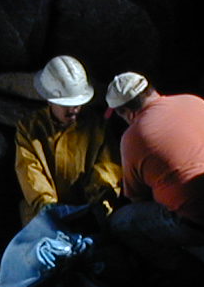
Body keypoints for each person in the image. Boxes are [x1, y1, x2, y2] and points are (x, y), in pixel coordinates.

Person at [103, 72, 204, 287]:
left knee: (122, 223)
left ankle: (196, 279)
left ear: (126, 113)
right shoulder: (193, 100)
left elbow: (136, 197)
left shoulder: (133, 136)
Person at [13, 55, 122, 224]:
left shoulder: (97, 127)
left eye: (78, 104)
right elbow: (29, 171)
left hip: (88, 212)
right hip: (42, 216)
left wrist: (99, 203)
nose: (74, 110)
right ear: (49, 100)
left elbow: (107, 169)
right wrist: (47, 207)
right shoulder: (30, 129)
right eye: (66, 105)